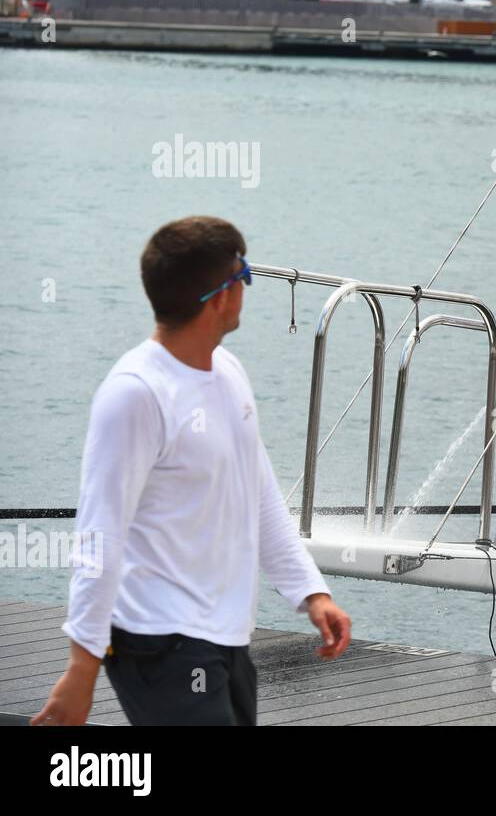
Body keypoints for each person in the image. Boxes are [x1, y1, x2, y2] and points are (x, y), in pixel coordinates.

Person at [31, 216, 351, 726]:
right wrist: (81, 669)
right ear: (223, 296)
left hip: (226, 637)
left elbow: (260, 494)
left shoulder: (229, 374)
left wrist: (311, 593)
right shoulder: (135, 393)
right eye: (244, 274)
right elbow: (99, 536)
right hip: (158, 642)